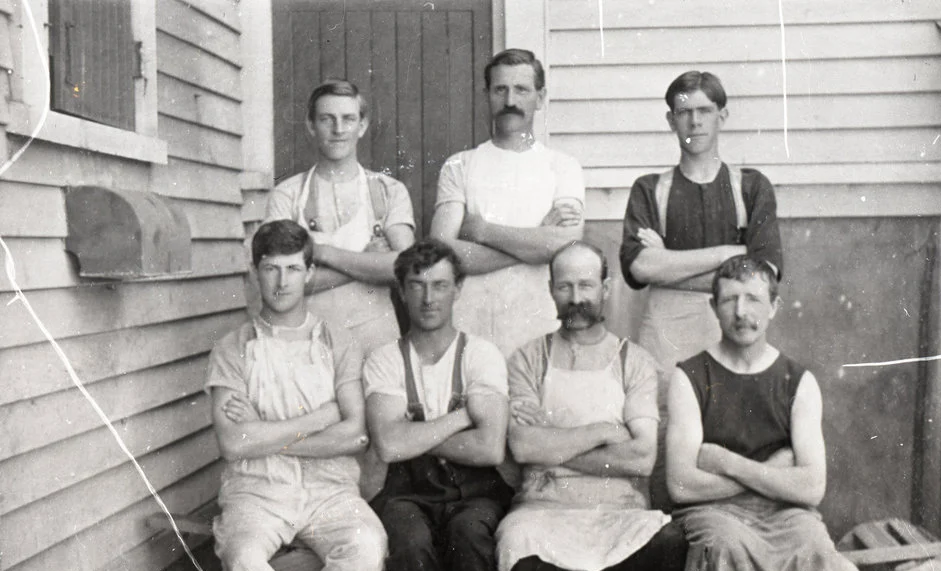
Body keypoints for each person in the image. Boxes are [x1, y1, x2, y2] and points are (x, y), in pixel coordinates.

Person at [664, 254, 871, 571]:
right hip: (713, 512)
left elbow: (811, 486)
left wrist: (729, 463)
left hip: (787, 514)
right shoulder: (689, 376)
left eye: (754, 299)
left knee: (824, 559)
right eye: (730, 300)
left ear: (774, 307)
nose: (742, 311)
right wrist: (773, 469)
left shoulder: (798, 381)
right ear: (714, 307)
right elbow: (682, 484)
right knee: (726, 548)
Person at [206, 220, 387, 571]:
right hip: (256, 488)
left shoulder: (338, 341)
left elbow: (354, 434)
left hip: (329, 488)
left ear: (310, 273)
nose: (282, 282)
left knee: (367, 549)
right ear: (255, 273)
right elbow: (234, 446)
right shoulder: (233, 347)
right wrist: (320, 415)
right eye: (270, 269)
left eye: (292, 269)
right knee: (242, 557)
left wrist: (268, 432)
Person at [496, 240, 689, 571]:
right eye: (565, 285)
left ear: (605, 288)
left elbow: (642, 458)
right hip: (544, 507)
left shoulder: (635, 362)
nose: (576, 296)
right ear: (551, 291)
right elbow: (522, 449)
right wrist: (605, 433)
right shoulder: (527, 359)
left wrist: (556, 449)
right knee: (519, 542)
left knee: (667, 542)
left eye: (586, 284)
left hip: (619, 509)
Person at [619, 71, 783, 509]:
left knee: (731, 430)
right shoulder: (650, 189)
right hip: (668, 333)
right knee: (665, 432)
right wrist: (732, 251)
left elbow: (763, 272)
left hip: (730, 325)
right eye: (684, 112)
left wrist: (669, 266)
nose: (694, 122)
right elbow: (639, 266)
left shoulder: (750, 187)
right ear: (670, 120)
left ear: (722, 116)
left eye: (704, 111)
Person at [363, 238, 512, 571]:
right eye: (417, 285)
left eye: (440, 285)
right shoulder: (385, 360)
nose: (428, 298)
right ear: (401, 291)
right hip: (406, 493)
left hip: (476, 492)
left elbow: (490, 448)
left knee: (470, 535)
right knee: (409, 542)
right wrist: (461, 418)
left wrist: (415, 434)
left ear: (458, 289)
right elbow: (390, 446)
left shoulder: (481, 355)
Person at [431, 48, 586, 356]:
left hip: (540, 325)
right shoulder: (460, 165)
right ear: (486, 94)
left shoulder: (563, 167)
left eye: (522, 90)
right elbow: (442, 252)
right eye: (500, 90)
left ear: (540, 97)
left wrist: (483, 230)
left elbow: (566, 242)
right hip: (470, 327)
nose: (511, 101)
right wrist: (535, 243)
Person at [265, 79, 416, 355]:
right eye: (327, 119)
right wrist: (369, 264)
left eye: (348, 119)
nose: (338, 129)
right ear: (311, 126)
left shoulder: (387, 191)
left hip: (376, 342)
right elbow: (280, 280)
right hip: (306, 343)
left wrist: (321, 253)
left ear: (362, 125)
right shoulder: (287, 196)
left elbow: (406, 267)